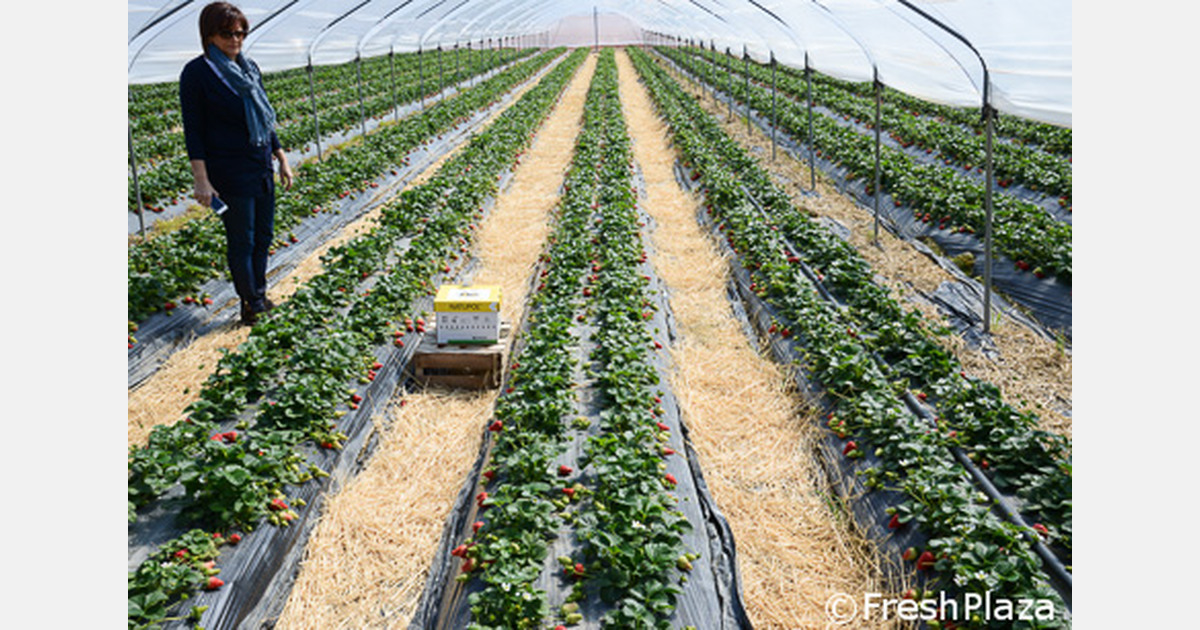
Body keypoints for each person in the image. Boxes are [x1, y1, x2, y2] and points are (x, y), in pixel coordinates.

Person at [179, 2, 294, 325]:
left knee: (264, 235)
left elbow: (265, 120)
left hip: (260, 165)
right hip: (228, 170)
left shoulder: (249, 68)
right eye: (227, 33)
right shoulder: (197, 73)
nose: (236, 39)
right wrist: (201, 180)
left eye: (241, 32)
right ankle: (251, 301)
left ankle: (257, 294)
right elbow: (194, 130)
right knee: (241, 238)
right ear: (209, 35)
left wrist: (281, 158)